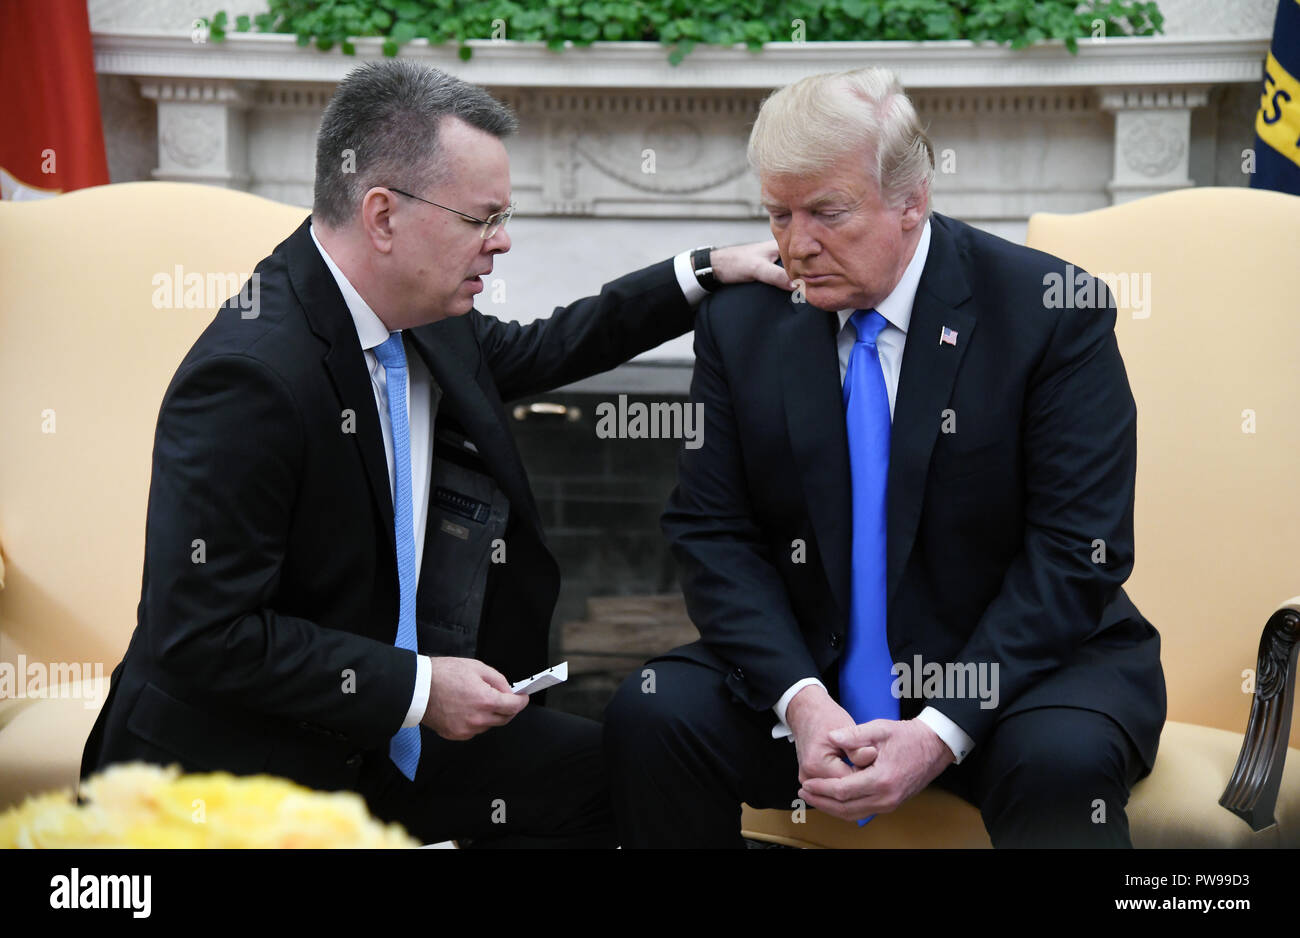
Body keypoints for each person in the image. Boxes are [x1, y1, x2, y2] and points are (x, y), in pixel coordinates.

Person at [79, 59, 788, 848]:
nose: (503, 241)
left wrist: (705, 271)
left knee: (624, 770)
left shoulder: (419, 311)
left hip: (382, 737)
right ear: (383, 216)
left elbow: (548, 346)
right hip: (244, 768)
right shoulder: (250, 378)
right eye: (482, 219)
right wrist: (420, 688)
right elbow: (204, 635)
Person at [604, 66, 1166, 848]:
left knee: (1060, 763)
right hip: (815, 673)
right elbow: (711, 532)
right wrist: (802, 702)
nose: (797, 245)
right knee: (654, 713)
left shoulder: (1048, 311)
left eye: (828, 212)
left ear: (912, 200)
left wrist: (939, 729)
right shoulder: (742, 322)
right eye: (778, 215)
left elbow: (1077, 552)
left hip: (1013, 679)